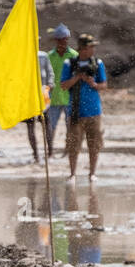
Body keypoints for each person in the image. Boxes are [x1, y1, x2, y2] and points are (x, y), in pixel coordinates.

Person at [60, 33, 107, 182]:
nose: (93, 50)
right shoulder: (69, 64)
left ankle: (92, 173)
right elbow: (63, 85)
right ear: (82, 49)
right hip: (75, 111)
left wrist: (93, 83)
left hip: (94, 111)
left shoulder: (97, 63)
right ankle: (72, 174)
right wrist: (77, 77)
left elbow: (104, 85)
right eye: (90, 47)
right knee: (73, 145)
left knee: (94, 144)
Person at [44, 24, 77, 156]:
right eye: (61, 39)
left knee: (70, 126)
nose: (64, 42)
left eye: (66, 39)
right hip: (53, 98)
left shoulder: (74, 56)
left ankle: (67, 151)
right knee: (50, 127)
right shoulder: (49, 57)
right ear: (56, 40)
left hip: (70, 97)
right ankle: (50, 152)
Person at [23, 42, 56, 163]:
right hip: (29, 97)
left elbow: (50, 73)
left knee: (47, 124)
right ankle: (36, 154)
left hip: (43, 95)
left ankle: (50, 151)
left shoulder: (43, 56)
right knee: (30, 126)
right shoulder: (23, 57)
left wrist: (49, 85)